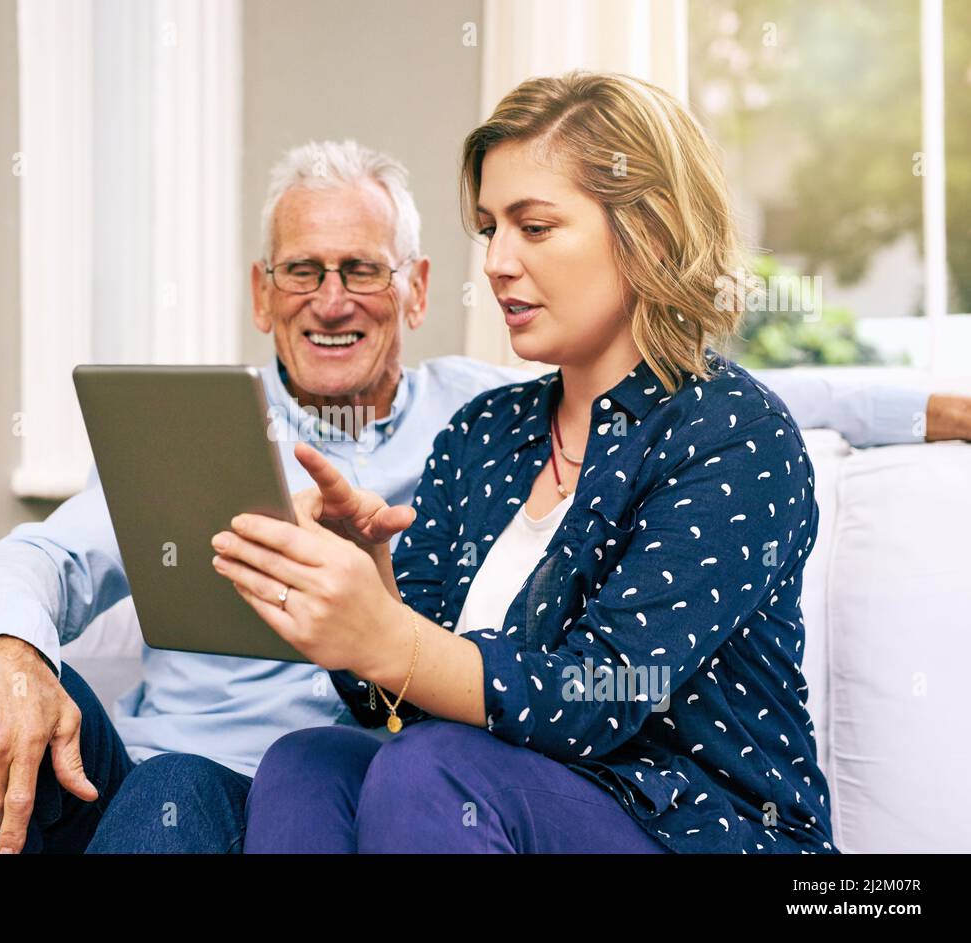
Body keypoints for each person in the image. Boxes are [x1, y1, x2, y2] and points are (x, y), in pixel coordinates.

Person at [0, 131, 971, 854]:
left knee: (221, 795)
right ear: (262, 298)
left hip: (310, 785)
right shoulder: (198, 436)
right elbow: (44, 559)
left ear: (411, 287)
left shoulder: (488, 413)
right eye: (301, 274)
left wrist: (932, 404)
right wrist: (1, 652)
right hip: (200, 768)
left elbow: (719, 390)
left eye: (361, 270)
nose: (330, 302)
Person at [217, 72, 850, 854]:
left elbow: (602, 695)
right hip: (492, 792)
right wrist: (366, 582)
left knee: (434, 768)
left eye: (535, 227)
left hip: (694, 826)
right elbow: (405, 699)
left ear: (645, 233)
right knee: (309, 759)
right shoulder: (486, 432)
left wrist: (387, 635)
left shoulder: (731, 435)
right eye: (490, 228)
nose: (496, 262)